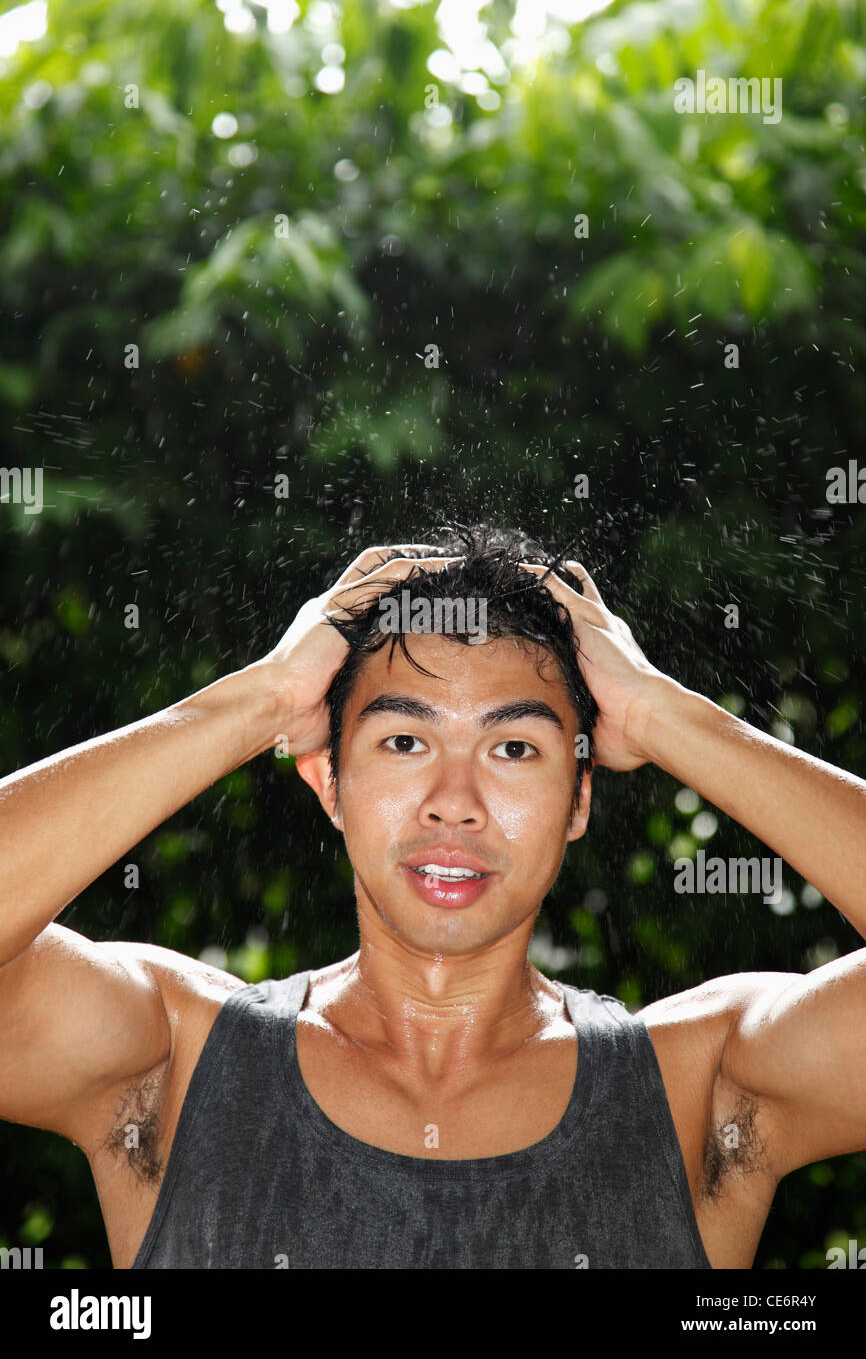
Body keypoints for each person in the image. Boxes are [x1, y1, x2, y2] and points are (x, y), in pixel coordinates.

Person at [1, 524, 864, 1269]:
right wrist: (260, 698)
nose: (455, 800)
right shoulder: (170, 1062)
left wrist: (659, 714)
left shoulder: (703, 1088)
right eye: (405, 739)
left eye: (516, 749)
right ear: (329, 781)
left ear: (581, 799)